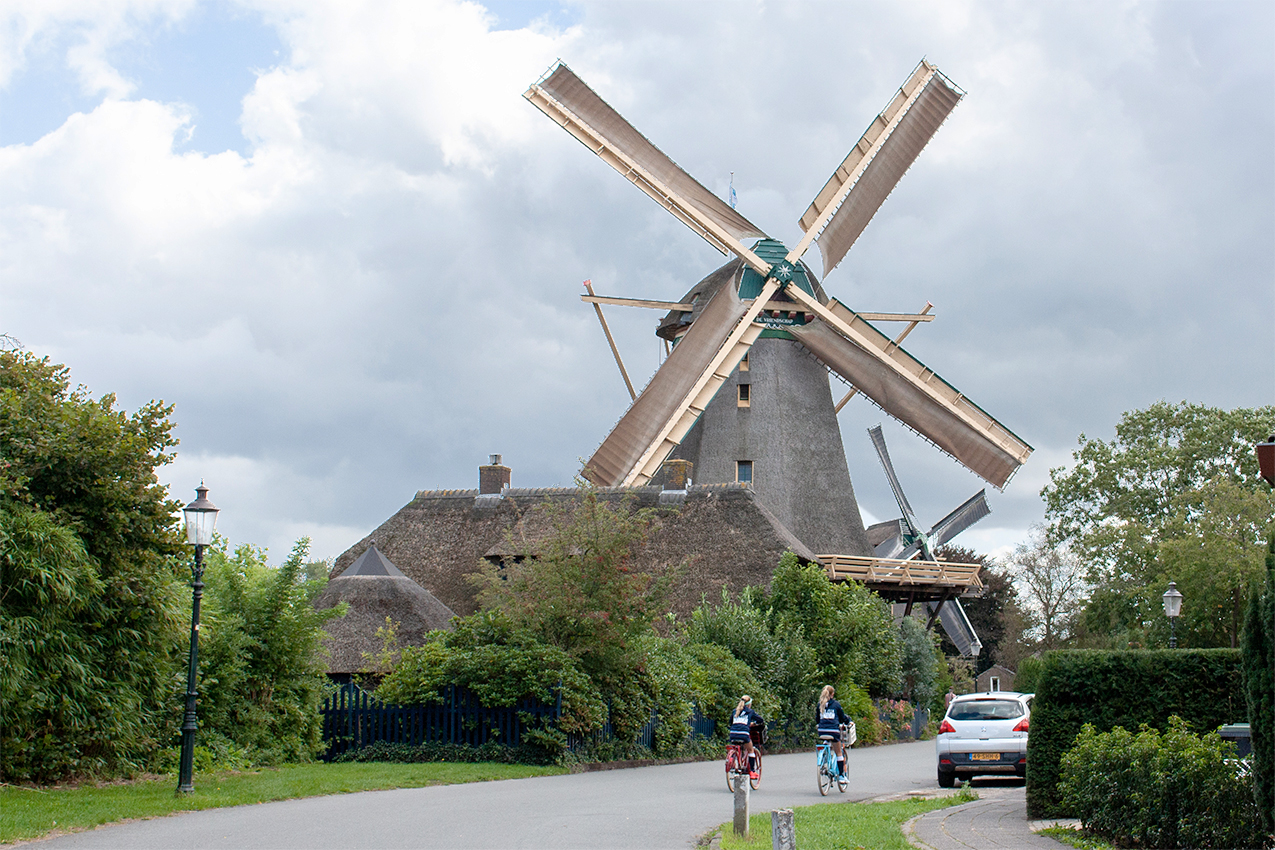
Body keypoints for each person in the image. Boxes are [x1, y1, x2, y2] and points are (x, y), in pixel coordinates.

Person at [816, 685, 851, 778]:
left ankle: (825, 753)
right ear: (832, 694)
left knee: (826, 737)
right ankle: (841, 776)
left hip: (821, 731)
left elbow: (817, 720)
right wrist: (848, 721)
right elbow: (842, 718)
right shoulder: (836, 705)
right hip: (833, 731)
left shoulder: (820, 705)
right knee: (839, 752)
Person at [729, 695, 763, 779]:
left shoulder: (735, 711)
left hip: (733, 733)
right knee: (751, 749)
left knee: (737, 745)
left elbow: (730, 722)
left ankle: (733, 759)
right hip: (744, 733)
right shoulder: (750, 711)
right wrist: (753, 723)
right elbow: (760, 720)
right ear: (749, 704)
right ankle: (752, 771)